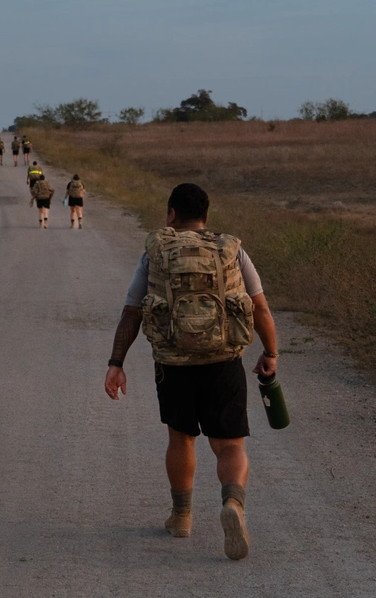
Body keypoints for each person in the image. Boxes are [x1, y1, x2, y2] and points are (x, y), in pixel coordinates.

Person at [102, 183, 278, 561]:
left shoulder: (155, 252)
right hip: (224, 360)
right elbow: (260, 307)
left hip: (173, 363)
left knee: (181, 438)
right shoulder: (231, 249)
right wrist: (271, 353)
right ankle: (233, 503)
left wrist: (116, 364)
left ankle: (181, 517)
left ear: (171, 215)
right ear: (206, 217)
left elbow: (131, 311)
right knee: (230, 445)